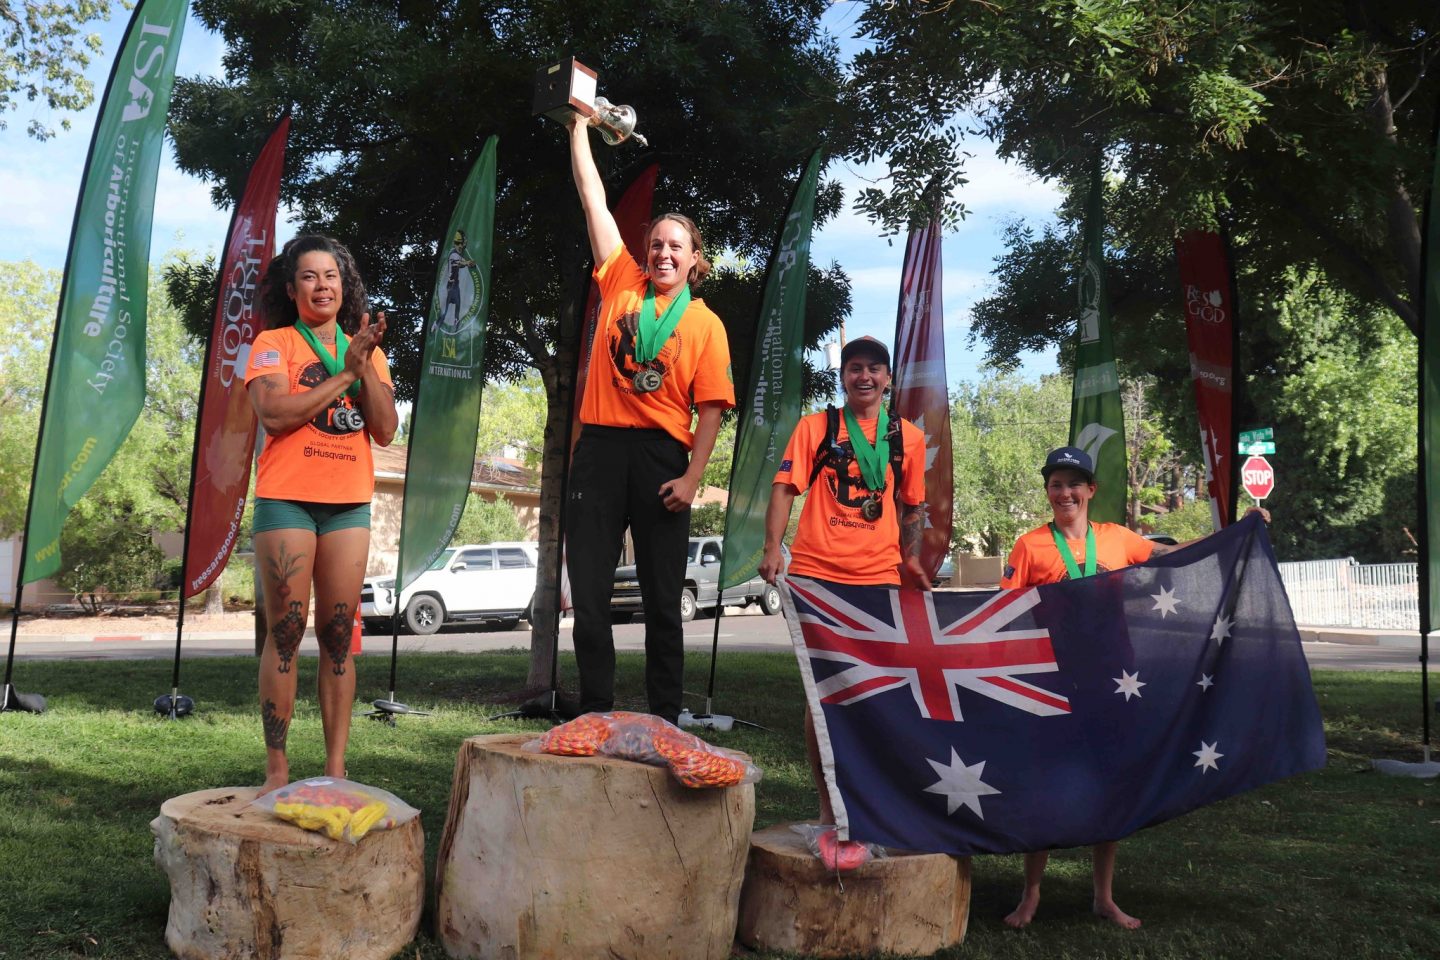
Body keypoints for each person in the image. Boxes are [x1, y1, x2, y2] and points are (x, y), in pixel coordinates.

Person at [1000, 445, 1266, 929]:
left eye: (1073, 484)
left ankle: (1103, 897)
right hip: (1054, 679)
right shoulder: (1029, 546)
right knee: (1045, 782)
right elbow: (1004, 612)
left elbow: (1174, 555)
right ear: (1048, 491)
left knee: (1110, 781)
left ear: (1090, 490)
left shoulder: (1116, 538)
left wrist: (1235, 532)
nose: (1064, 493)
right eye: (1056, 484)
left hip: (1114, 678)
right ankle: (1030, 893)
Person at [566, 111, 735, 723]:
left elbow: (711, 410)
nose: (663, 253)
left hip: (663, 458)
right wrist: (577, 129)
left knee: (664, 598)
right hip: (600, 450)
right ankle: (595, 711)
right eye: (656, 244)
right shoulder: (620, 280)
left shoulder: (706, 324)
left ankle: (666, 717)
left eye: (675, 247)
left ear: (694, 260)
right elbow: (593, 199)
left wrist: (692, 477)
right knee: (590, 592)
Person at [759, 335, 929, 869]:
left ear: (887, 379)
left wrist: (912, 559)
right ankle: (828, 808)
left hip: (878, 579)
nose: (865, 377)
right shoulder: (816, 428)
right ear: (844, 376)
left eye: (874, 369)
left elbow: (912, 508)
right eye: (855, 367)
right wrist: (772, 548)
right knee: (821, 697)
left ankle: (874, 806)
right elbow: (784, 489)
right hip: (816, 577)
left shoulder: (908, 438)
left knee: (877, 692)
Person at [244, 234, 398, 795]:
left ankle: (336, 770)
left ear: (343, 285)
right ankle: (277, 769)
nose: (322, 286)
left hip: (347, 504)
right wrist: (345, 375)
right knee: (285, 631)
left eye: (331, 276)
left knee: (338, 637)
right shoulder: (274, 342)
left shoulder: (366, 350)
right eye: (309, 276)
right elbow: (274, 413)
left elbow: (385, 429)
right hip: (287, 499)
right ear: (292, 289)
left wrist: (363, 367)